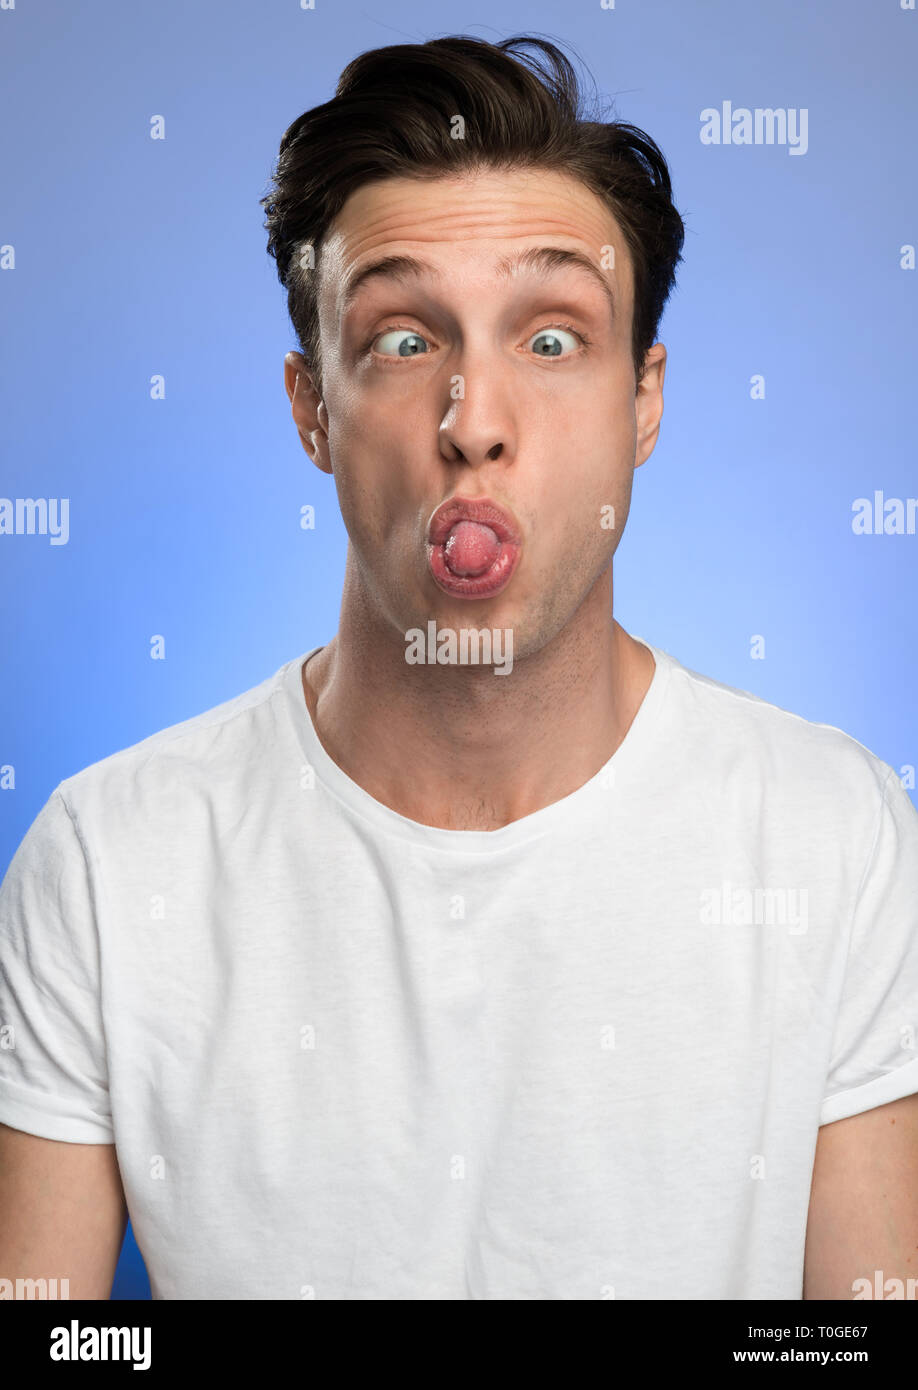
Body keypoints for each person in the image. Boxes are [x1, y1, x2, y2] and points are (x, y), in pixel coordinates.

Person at [1, 34, 916, 1302]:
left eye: (551, 340)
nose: (473, 421)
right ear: (310, 407)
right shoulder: (108, 862)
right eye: (399, 340)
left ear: (644, 401)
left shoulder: (837, 839)